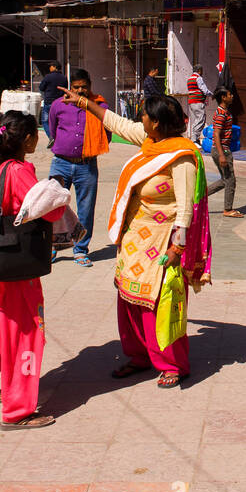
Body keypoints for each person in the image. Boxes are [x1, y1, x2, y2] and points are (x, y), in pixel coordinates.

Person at [60, 88, 212, 388]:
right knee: (130, 300)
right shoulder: (151, 143)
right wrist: (83, 102)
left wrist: (177, 248)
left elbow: (185, 209)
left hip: (162, 241)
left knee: (159, 304)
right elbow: (116, 123)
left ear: (155, 123)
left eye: (143, 114)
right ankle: (140, 356)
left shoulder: (181, 158)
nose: (138, 118)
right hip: (134, 241)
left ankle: (171, 363)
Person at [0, 111, 67, 429]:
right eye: (35, 133)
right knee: (24, 334)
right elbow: (48, 211)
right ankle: (18, 409)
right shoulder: (19, 171)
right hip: (17, 266)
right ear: (26, 140)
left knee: (1, 324)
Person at [46, 68, 108, 267]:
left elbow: (106, 133)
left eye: (84, 87)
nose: (80, 90)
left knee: (86, 209)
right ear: (69, 87)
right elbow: (52, 127)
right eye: (76, 87)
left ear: (90, 87)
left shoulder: (99, 106)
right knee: (53, 206)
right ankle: (52, 246)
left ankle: (80, 249)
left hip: (86, 166)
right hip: (61, 163)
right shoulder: (59, 105)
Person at [207, 87, 241, 217]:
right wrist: (222, 155)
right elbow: (216, 134)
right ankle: (228, 209)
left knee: (225, 180)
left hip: (221, 149)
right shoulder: (221, 113)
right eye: (229, 94)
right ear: (223, 98)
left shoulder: (224, 112)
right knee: (230, 180)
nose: (232, 96)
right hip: (222, 150)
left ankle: (199, 196)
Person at [38, 62, 67, 141]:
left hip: (49, 102)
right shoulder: (64, 78)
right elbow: (66, 90)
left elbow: (41, 87)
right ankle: (59, 137)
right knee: (57, 121)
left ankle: (52, 137)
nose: (49, 68)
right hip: (60, 102)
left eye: (50, 66)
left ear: (54, 67)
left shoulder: (48, 77)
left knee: (45, 121)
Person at [186, 63, 211, 144]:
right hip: (198, 101)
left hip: (191, 102)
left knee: (196, 120)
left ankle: (194, 138)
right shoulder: (198, 78)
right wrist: (212, 94)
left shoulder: (190, 79)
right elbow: (204, 90)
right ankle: (194, 139)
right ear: (199, 71)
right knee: (201, 119)